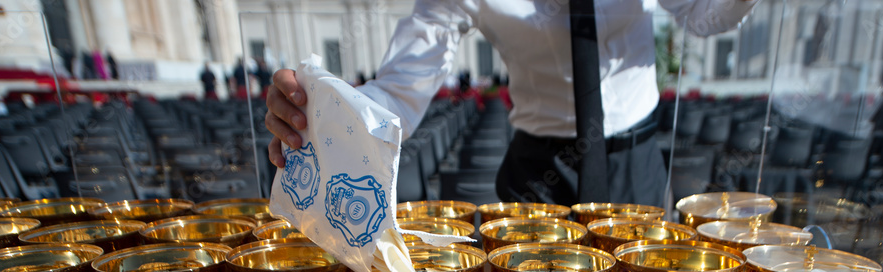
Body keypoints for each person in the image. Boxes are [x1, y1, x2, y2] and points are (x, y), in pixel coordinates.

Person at [266, 0, 760, 206]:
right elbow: (399, 88)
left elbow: (704, 14)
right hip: (539, 174)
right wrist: (319, 112)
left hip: (638, 163)